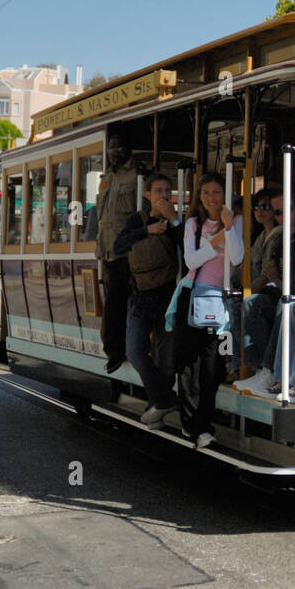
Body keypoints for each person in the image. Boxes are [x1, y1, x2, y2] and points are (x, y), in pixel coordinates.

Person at [177, 172, 244, 447]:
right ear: (199, 197)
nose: (212, 199)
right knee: (191, 366)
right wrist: (215, 242)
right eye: (206, 193)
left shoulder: (235, 222)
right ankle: (193, 426)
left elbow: (238, 258)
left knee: (213, 366)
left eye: (216, 193)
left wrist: (228, 230)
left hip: (221, 302)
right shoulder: (193, 223)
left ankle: (203, 424)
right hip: (195, 299)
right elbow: (191, 261)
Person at [113, 173, 182, 424]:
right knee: (135, 351)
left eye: (167, 191)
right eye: (159, 190)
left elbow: (188, 248)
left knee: (166, 359)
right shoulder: (137, 220)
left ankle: (158, 406)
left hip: (169, 298)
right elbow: (117, 246)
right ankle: (164, 400)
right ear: (147, 194)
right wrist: (147, 230)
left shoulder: (178, 221)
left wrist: (174, 221)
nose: (163, 195)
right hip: (141, 298)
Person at [94, 131, 139, 372]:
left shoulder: (136, 176)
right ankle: (115, 349)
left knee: (118, 304)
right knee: (113, 303)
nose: (113, 153)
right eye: (110, 149)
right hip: (108, 251)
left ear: (128, 150)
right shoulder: (106, 178)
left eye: (118, 148)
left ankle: (117, 350)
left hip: (127, 252)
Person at [237, 187, 285, 374]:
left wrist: (252, 289)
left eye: (265, 206)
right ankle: (237, 363)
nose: (260, 211)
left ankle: (257, 367)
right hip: (260, 288)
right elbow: (247, 267)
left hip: (274, 291)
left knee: (251, 303)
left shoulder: (279, 235)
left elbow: (267, 273)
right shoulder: (260, 237)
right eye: (256, 207)